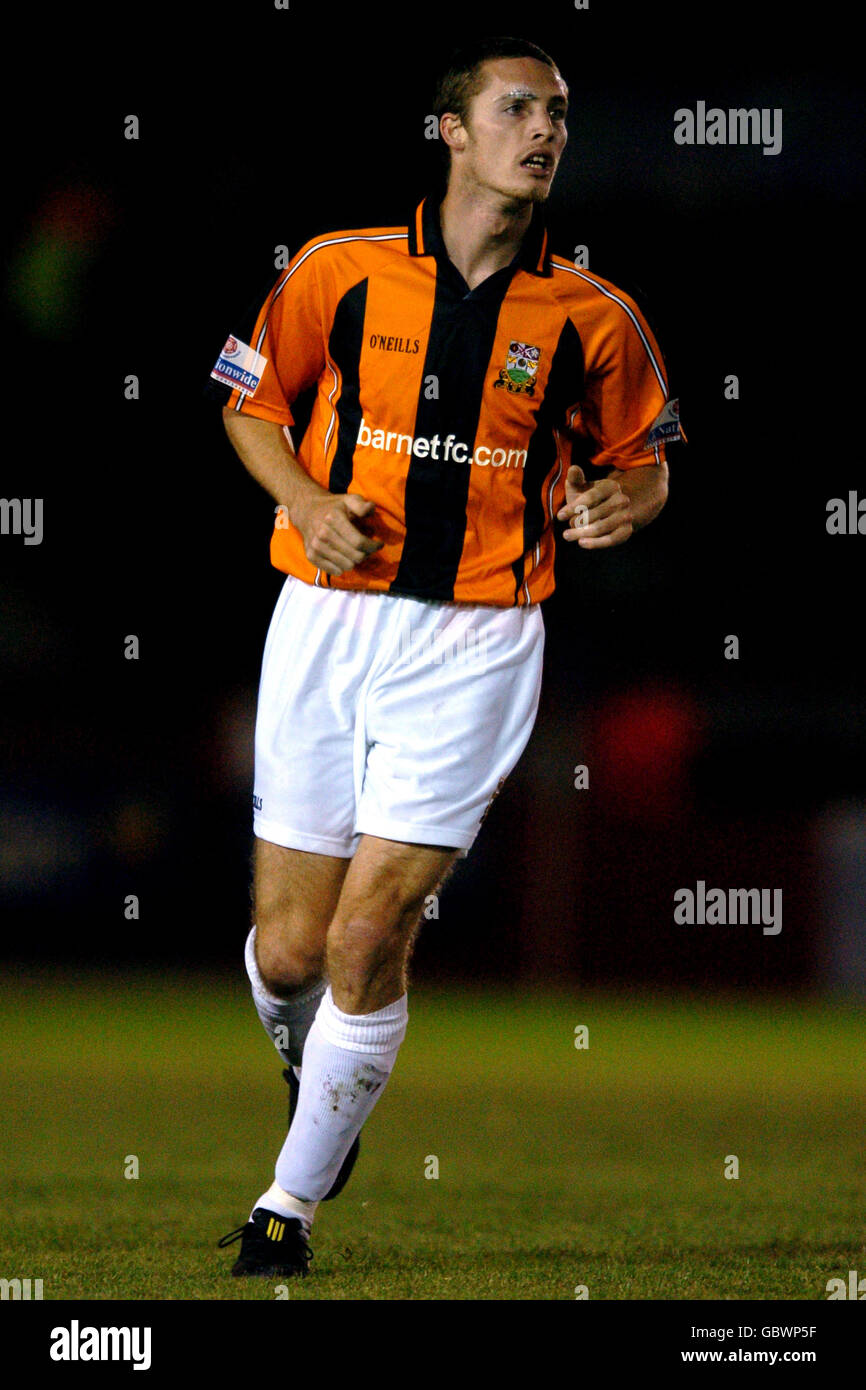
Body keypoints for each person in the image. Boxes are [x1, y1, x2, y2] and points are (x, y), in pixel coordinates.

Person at [209, 34, 683, 1278]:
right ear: (452, 133)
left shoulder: (593, 315)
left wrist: (627, 504)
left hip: (476, 638)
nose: (544, 130)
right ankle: (307, 1061)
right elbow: (248, 406)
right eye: (517, 108)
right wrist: (308, 500)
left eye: (561, 114)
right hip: (323, 617)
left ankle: (284, 1211)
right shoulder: (336, 270)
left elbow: (644, 463)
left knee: (371, 934)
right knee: (290, 953)